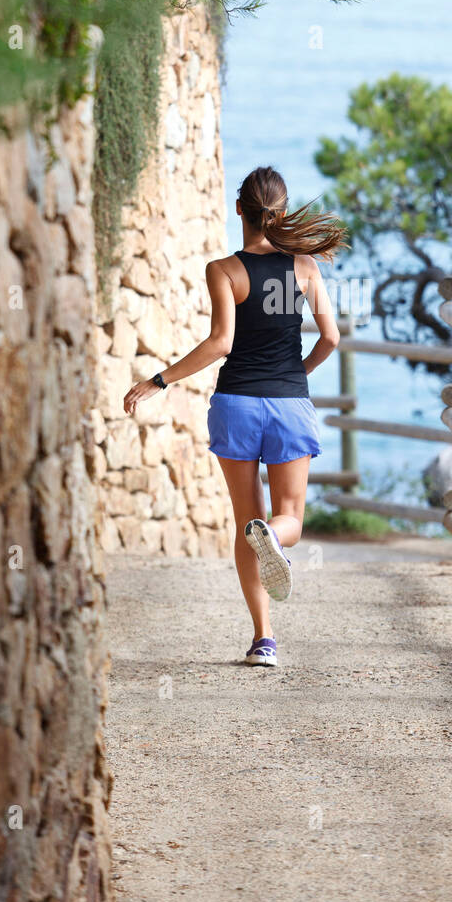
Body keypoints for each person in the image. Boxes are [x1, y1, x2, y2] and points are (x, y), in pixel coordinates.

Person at [124, 166, 345, 667]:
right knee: (285, 519)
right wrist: (298, 374)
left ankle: (263, 639)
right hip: (290, 405)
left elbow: (221, 343)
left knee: (246, 521)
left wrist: (158, 380)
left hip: (236, 406)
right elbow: (331, 338)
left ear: (239, 209)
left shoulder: (223, 270)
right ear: (282, 213)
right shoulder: (305, 268)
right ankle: (277, 538)